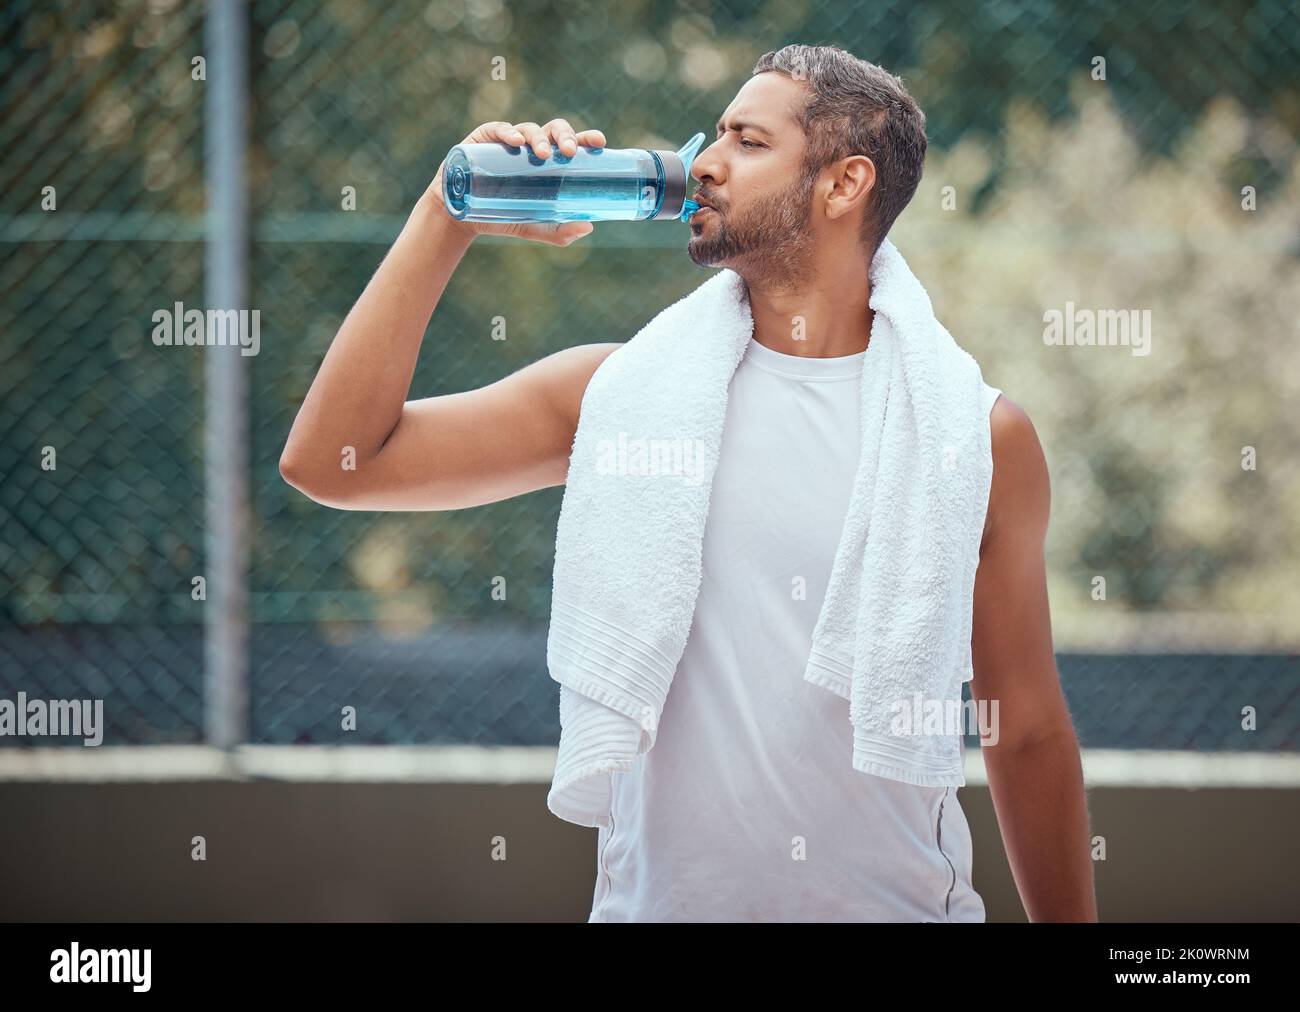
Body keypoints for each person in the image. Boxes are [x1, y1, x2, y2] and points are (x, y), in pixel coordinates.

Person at [280, 43, 1098, 923]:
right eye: (714, 135)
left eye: (746, 142)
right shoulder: (616, 398)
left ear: (842, 184)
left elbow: (1030, 733)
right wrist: (447, 213)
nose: (701, 163)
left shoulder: (973, 438)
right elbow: (331, 461)